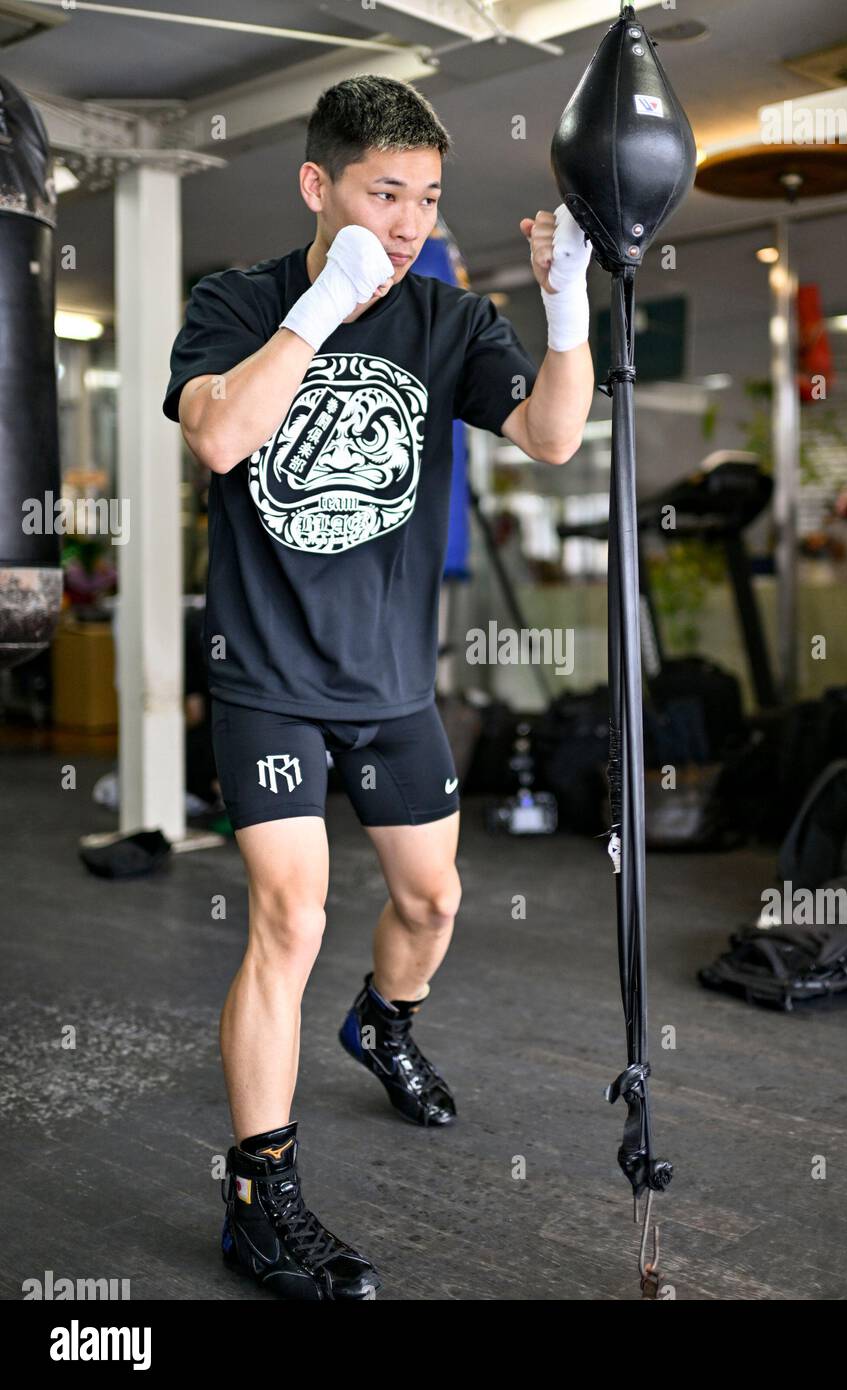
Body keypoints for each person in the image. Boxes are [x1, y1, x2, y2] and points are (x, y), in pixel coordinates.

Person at [163, 75, 595, 1301]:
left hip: (392, 681)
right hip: (267, 675)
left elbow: (555, 436)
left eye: (428, 198)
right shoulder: (236, 302)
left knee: (433, 902)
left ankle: (383, 1024)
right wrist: (319, 308)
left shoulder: (450, 321)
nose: (407, 222)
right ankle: (260, 1194)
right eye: (383, 192)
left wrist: (562, 303)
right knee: (289, 915)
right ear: (319, 185)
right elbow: (216, 436)